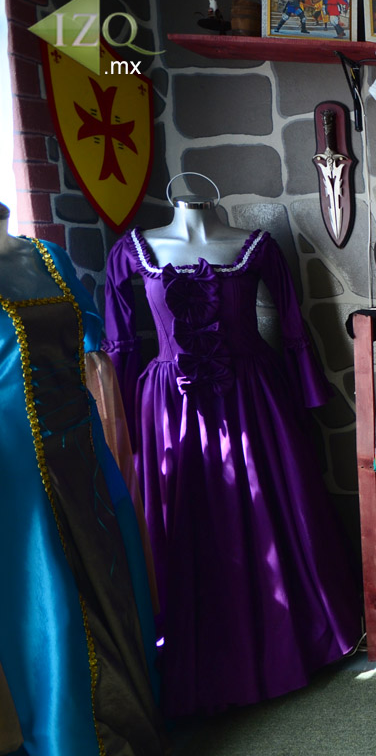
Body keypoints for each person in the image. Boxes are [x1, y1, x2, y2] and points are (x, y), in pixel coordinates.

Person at [103, 185, 359, 717]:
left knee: (270, 512)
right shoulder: (131, 253)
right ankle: (197, 662)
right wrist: (121, 421)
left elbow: (292, 327)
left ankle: (290, 643)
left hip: (252, 400)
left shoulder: (256, 247)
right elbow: (122, 341)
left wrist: (307, 393)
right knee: (185, 522)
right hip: (171, 408)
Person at [0, 212, 168, 754]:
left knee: (110, 574)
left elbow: (91, 346)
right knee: (49, 592)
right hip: (15, 460)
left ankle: (127, 715)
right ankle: (66, 734)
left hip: (81, 442)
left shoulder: (49, 258)